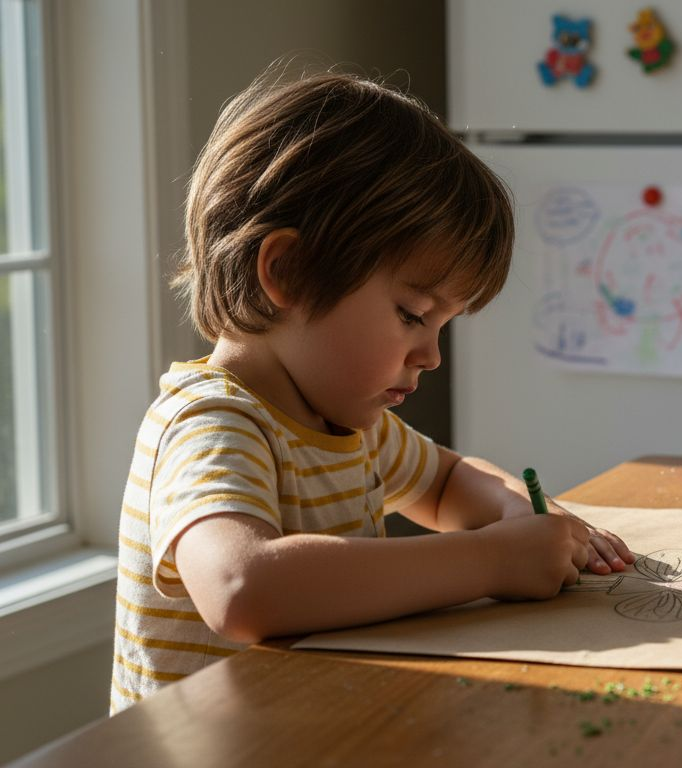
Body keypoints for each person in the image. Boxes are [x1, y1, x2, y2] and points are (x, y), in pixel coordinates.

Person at [109, 69, 634, 714]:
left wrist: (518, 516)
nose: (431, 355)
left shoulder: (348, 426)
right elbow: (241, 587)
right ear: (290, 273)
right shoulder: (212, 422)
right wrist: (489, 561)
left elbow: (443, 483)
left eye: (442, 326)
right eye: (413, 315)